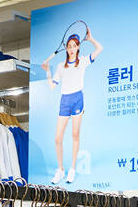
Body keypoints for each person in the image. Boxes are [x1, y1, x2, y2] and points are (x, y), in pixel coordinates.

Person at [41, 27, 103, 184]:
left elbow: (99, 49)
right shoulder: (61, 66)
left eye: (74, 46)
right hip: (65, 101)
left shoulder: (83, 61)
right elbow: (52, 85)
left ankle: (72, 169)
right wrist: (48, 71)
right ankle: (60, 170)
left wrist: (91, 39)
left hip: (77, 99)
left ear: (78, 47)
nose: (71, 49)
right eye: (69, 46)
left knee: (75, 135)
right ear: (66, 48)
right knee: (57, 138)